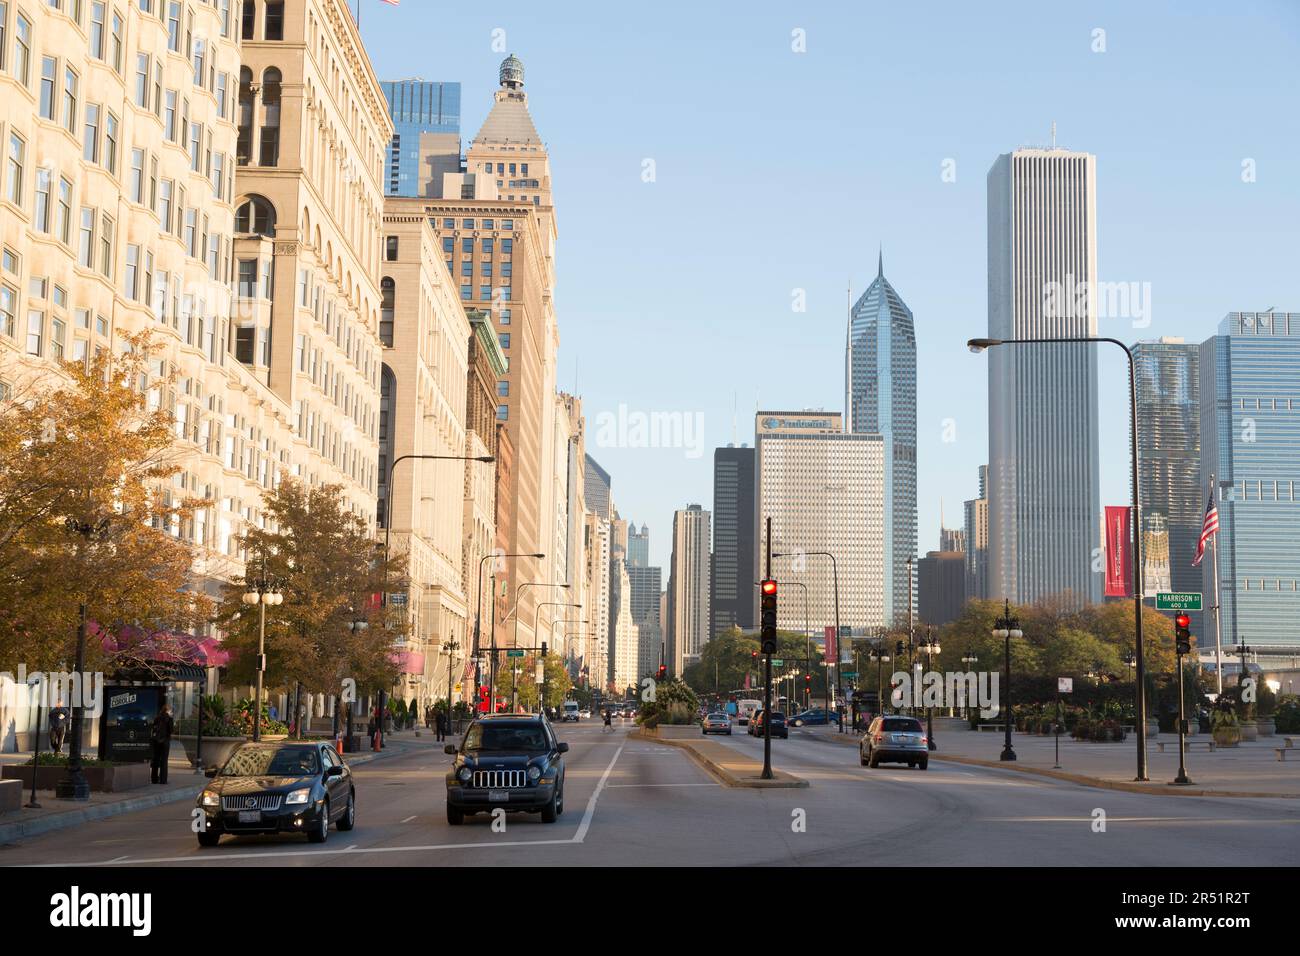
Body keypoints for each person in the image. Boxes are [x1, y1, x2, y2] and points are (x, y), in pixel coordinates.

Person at [150, 703, 174, 785]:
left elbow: (153, 728)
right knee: (164, 761)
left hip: (156, 741)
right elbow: (171, 730)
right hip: (165, 741)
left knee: (155, 760)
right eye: (170, 710)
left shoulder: (157, 717)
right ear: (168, 710)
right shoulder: (169, 718)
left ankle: (154, 779)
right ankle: (163, 780)